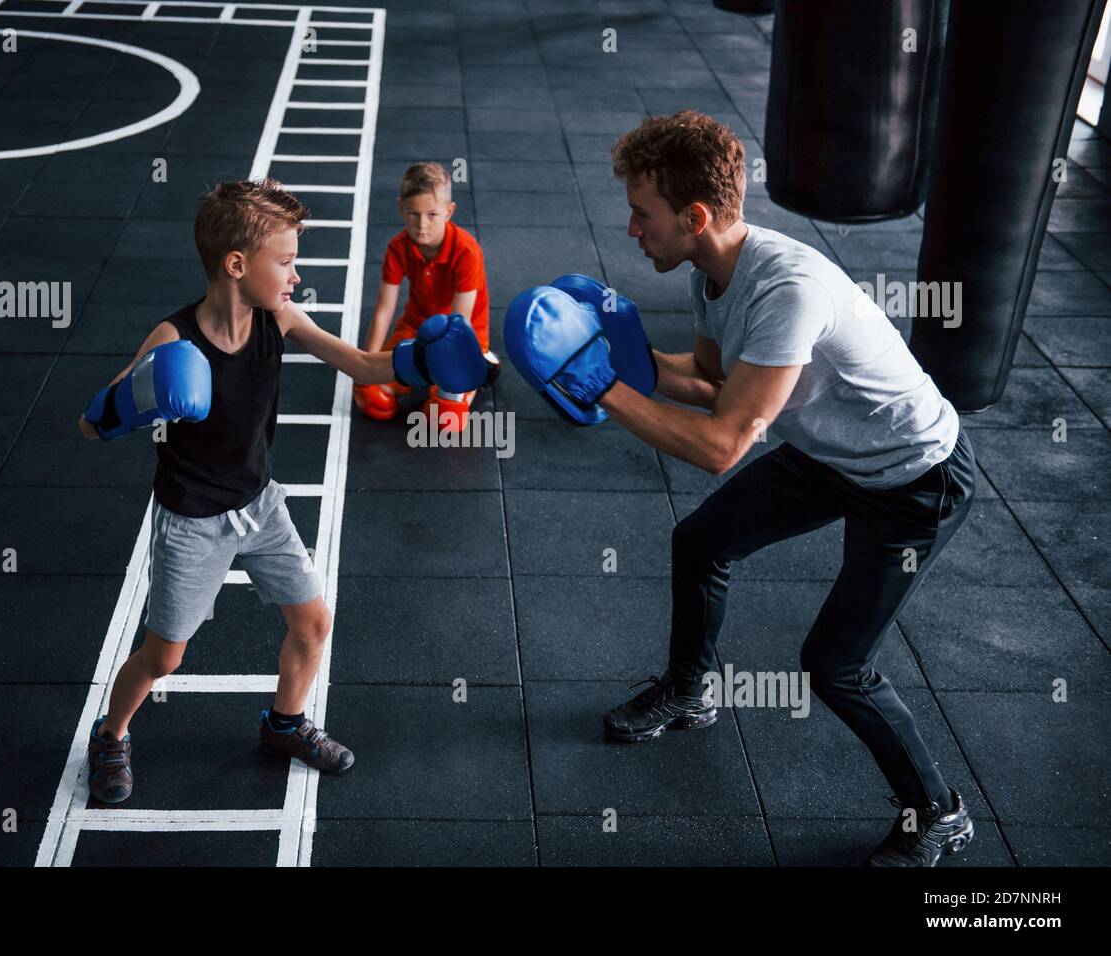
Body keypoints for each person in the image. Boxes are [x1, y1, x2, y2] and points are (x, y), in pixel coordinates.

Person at [505, 111, 977, 867]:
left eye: (641, 214)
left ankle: (938, 812)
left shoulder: (786, 290)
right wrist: (627, 356)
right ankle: (690, 690)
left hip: (911, 477)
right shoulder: (712, 274)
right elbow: (719, 384)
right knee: (700, 541)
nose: (631, 230)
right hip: (829, 451)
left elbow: (723, 444)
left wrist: (601, 388)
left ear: (695, 217)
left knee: (835, 665)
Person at [78, 178, 487, 803]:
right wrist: (130, 403)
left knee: (313, 621)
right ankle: (111, 734)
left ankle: (284, 724)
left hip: (260, 504)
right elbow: (90, 422)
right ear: (237, 265)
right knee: (164, 657)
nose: (296, 276)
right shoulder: (173, 339)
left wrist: (418, 362)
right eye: (287, 262)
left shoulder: (279, 316)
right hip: (192, 520)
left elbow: (363, 365)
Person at [354, 161, 496, 431]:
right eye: (412, 213)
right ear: (400, 208)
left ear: (449, 212)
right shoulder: (398, 247)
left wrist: (446, 371)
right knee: (373, 400)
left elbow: (459, 322)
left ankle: (483, 363)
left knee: (445, 420)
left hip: (463, 338)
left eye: (432, 214)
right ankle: (423, 374)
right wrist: (366, 364)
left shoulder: (467, 251)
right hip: (415, 329)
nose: (421, 224)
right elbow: (384, 308)